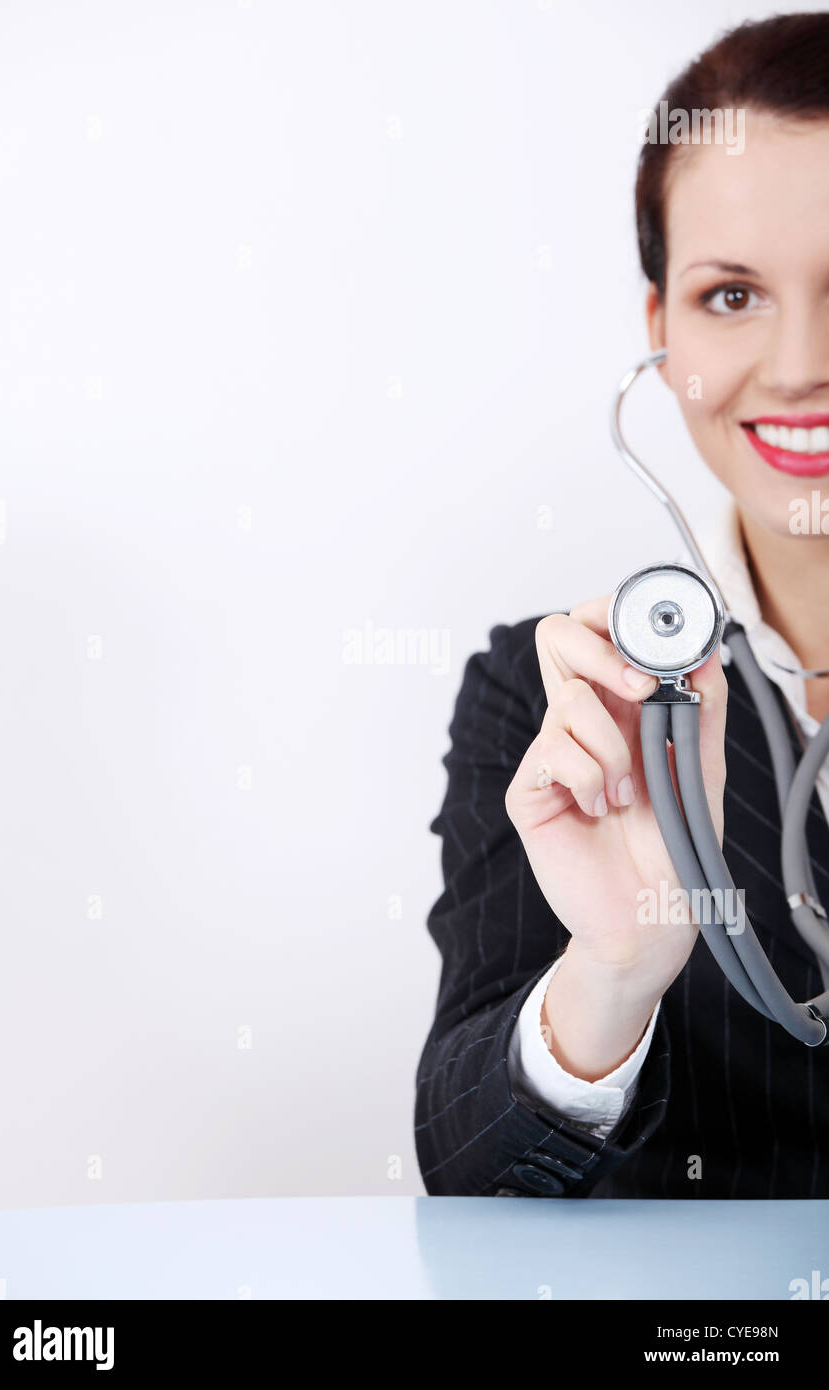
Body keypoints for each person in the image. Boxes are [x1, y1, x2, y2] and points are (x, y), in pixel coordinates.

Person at [415, 11, 829, 1199]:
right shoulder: (559, 690)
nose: (799, 361)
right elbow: (470, 1168)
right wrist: (611, 968)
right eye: (731, 294)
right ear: (659, 333)